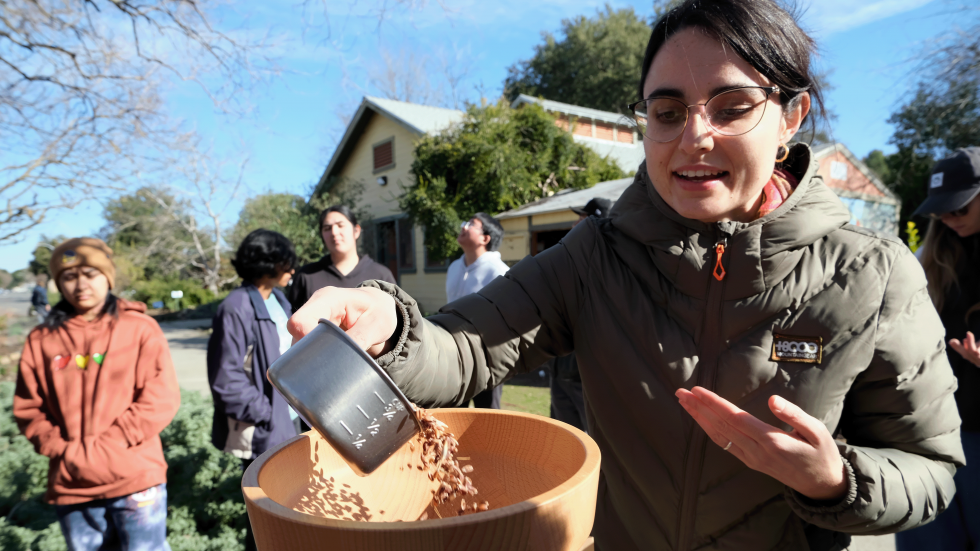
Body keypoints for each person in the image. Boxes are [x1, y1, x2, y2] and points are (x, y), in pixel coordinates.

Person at [287, 1, 964, 549]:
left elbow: (931, 470)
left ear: (791, 116)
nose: (693, 136)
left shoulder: (874, 276)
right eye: (667, 113)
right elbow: (465, 346)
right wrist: (389, 323)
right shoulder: (596, 254)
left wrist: (833, 479)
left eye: (731, 107)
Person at [14, 237, 180, 551]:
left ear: (108, 277)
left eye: (90, 274)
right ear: (58, 283)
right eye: (69, 276)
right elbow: (28, 408)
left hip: (136, 478)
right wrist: (63, 450)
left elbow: (160, 397)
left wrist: (111, 442)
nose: (81, 284)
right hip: (72, 483)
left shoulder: (140, 329)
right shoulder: (42, 339)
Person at [895, 147, 980, 551]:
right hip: (929, 428)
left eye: (959, 209)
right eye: (941, 211)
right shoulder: (929, 257)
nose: (947, 219)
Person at [207, 229, 298, 551]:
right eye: (287, 260)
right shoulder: (235, 306)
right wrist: (267, 414)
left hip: (292, 424)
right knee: (264, 522)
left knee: (291, 513)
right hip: (266, 430)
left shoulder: (278, 299)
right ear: (267, 262)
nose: (293, 268)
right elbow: (226, 380)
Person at [546, 198, 613, 431]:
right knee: (563, 444)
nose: (574, 226)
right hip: (560, 372)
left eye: (581, 220)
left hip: (587, 381)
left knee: (595, 448)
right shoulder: (571, 264)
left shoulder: (612, 272)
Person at [445, 213, 511, 409]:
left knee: (488, 421)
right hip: (454, 356)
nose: (463, 227)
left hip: (487, 361)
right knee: (454, 414)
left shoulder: (499, 271)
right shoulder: (454, 267)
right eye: (464, 223)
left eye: (471, 225)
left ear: (485, 238)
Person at [287, 205, 395, 312]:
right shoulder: (307, 276)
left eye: (340, 225)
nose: (334, 232)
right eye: (327, 228)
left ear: (356, 231)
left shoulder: (381, 275)